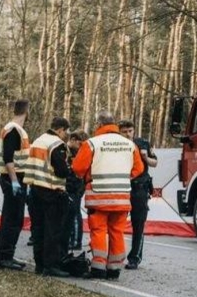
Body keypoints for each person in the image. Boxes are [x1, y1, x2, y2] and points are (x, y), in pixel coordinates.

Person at [71, 111, 145, 280]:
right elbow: (138, 169)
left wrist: (91, 175)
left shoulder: (92, 143)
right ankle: (114, 269)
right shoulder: (129, 144)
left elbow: (77, 168)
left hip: (98, 197)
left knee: (98, 231)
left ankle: (98, 267)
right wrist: (123, 177)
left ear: (98, 125)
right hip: (121, 197)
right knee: (117, 232)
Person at [24, 117, 71, 276]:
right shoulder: (57, 144)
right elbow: (62, 170)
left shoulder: (38, 141)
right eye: (66, 131)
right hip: (52, 191)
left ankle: (40, 265)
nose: (67, 135)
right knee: (52, 230)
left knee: (37, 229)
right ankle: (51, 266)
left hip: (35, 190)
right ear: (61, 129)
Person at [0, 99, 31, 270]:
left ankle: (7, 255)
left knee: (15, 219)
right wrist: (15, 181)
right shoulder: (14, 130)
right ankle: (4, 257)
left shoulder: (15, 129)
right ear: (27, 111)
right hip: (13, 179)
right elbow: (8, 159)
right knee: (12, 219)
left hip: (15, 178)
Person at [119, 120, 158, 269]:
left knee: (138, 223)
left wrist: (145, 157)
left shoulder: (142, 143)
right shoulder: (116, 145)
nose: (128, 134)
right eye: (124, 131)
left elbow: (155, 162)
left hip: (139, 187)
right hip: (122, 187)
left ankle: (135, 257)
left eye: (130, 131)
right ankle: (115, 255)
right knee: (116, 223)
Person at [63, 130, 88, 254]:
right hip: (68, 184)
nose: (70, 142)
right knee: (68, 213)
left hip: (77, 186)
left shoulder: (82, 152)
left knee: (75, 212)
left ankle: (76, 241)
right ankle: (68, 238)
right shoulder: (67, 151)